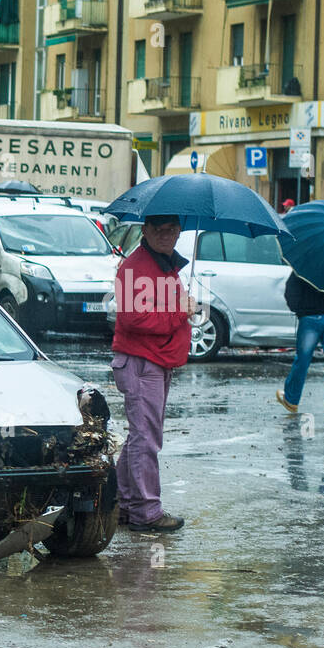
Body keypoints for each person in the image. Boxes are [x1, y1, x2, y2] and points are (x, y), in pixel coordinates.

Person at [110, 214, 192, 532]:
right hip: (141, 362)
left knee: (139, 437)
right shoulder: (134, 267)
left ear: (179, 231)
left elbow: (167, 310)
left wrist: (183, 308)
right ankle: (147, 512)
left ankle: (124, 504)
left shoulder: (164, 264)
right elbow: (135, 319)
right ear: (144, 230)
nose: (165, 234)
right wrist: (179, 312)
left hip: (154, 361)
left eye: (171, 229)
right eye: (158, 228)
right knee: (146, 439)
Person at [277, 271, 324, 420]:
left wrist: (299, 310)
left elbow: (291, 290)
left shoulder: (308, 261)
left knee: (303, 359)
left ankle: (291, 400)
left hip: (310, 318)